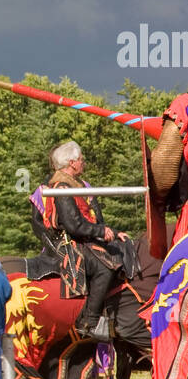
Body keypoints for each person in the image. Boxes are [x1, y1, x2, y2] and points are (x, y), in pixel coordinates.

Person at [32, 141, 136, 340]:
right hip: (69, 243)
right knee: (105, 267)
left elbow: (90, 219)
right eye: (81, 159)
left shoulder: (75, 185)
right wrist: (102, 230)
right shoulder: (62, 187)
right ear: (72, 163)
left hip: (82, 239)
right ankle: (88, 321)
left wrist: (113, 232)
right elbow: (74, 225)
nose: (83, 162)